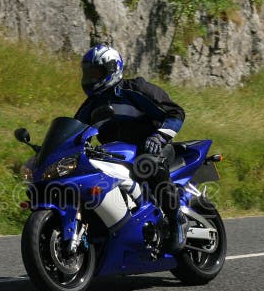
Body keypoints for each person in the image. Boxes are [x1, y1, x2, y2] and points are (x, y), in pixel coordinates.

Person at [74, 44, 188, 252]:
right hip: (117, 155)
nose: (91, 78)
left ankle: (175, 219)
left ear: (112, 70)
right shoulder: (91, 104)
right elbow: (75, 133)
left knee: (148, 163)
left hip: (153, 147)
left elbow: (175, 113)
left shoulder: (135, 90)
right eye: (88, 73)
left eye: (96, 73)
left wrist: (159, 136)